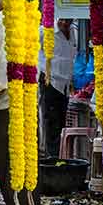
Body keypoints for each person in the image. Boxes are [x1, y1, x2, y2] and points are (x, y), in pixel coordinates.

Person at [0, 0, 40, 205]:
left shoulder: (5, 26)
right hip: (18, 104)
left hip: (7, 106)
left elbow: (0, 73)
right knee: (21, 159)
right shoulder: (0, 23)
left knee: (10, 162)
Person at [40, 18, 78, 156]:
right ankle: (52, 158)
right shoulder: (45, 31)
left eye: (68, 21)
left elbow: (72, 55)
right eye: (62, 20)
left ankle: (58, 156)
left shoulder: (74, 31)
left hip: (65, 86)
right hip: (51, 82)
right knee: (52, 123)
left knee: (61, 123)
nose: (64, 23)